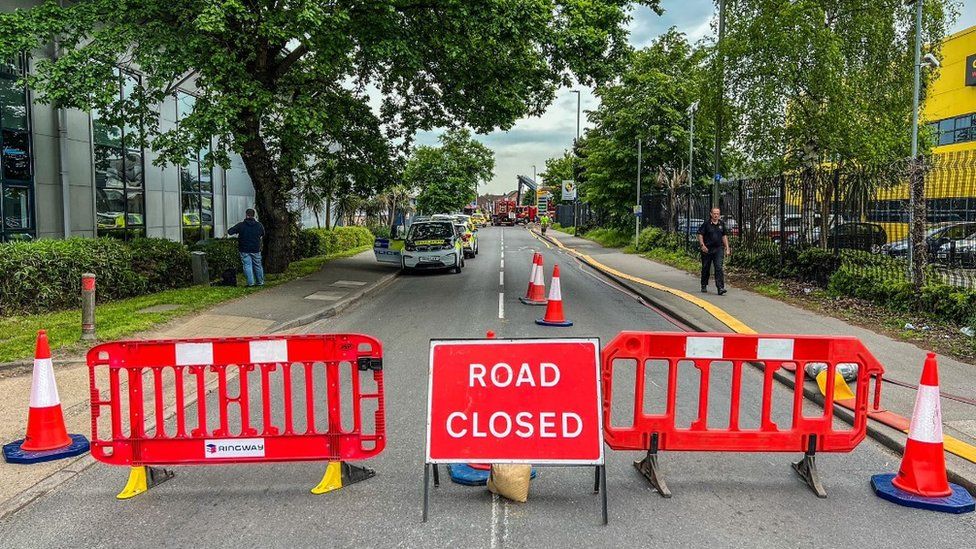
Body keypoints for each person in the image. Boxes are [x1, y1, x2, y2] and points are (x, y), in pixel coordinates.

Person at [228, 208, 265, 287]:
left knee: (247, 266)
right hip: (256, 248)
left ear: (246, 215)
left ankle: (250, 283)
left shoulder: (241, 225)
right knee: (258, 265)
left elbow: (230, 231)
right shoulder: (259, 225)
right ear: (254, 215)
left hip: (244, 249)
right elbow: (262, 234)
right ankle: (260, 282)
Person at [697, 207, 730, 295]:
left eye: (717, 214)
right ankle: (704, 284)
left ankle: (720, 287)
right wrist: (702, 245)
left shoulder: (721, 224)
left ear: (719, 215)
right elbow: (700, 234)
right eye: (714, 213)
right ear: (711, 214)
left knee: (719, 267)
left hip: (718, 248)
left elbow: (724, 236)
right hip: (707, 249)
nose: (716, 215)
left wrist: (727, 247)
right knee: (706, 267)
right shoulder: (706, 224)